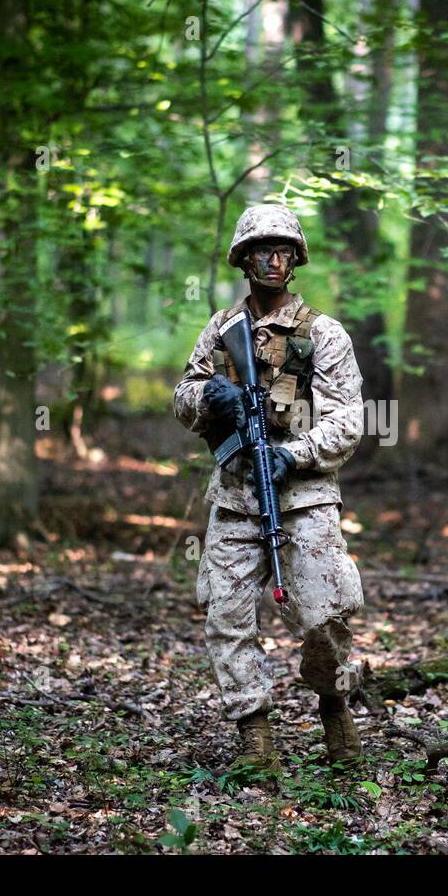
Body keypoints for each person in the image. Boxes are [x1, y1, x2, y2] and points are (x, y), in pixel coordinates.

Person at [173, 204, 366, 773]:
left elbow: (348, 422)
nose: (273, 261)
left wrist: (292, 454)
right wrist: (212, 397)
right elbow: (182, 397)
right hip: (235, 497)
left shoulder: (324, 334)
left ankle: (334, 710)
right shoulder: (220, 328)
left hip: (304, 498)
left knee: (324, 615)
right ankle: (256, 740)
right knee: (227, 616)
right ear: (244, 259)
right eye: (262, 251)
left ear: (296, 260)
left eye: (283, 252)